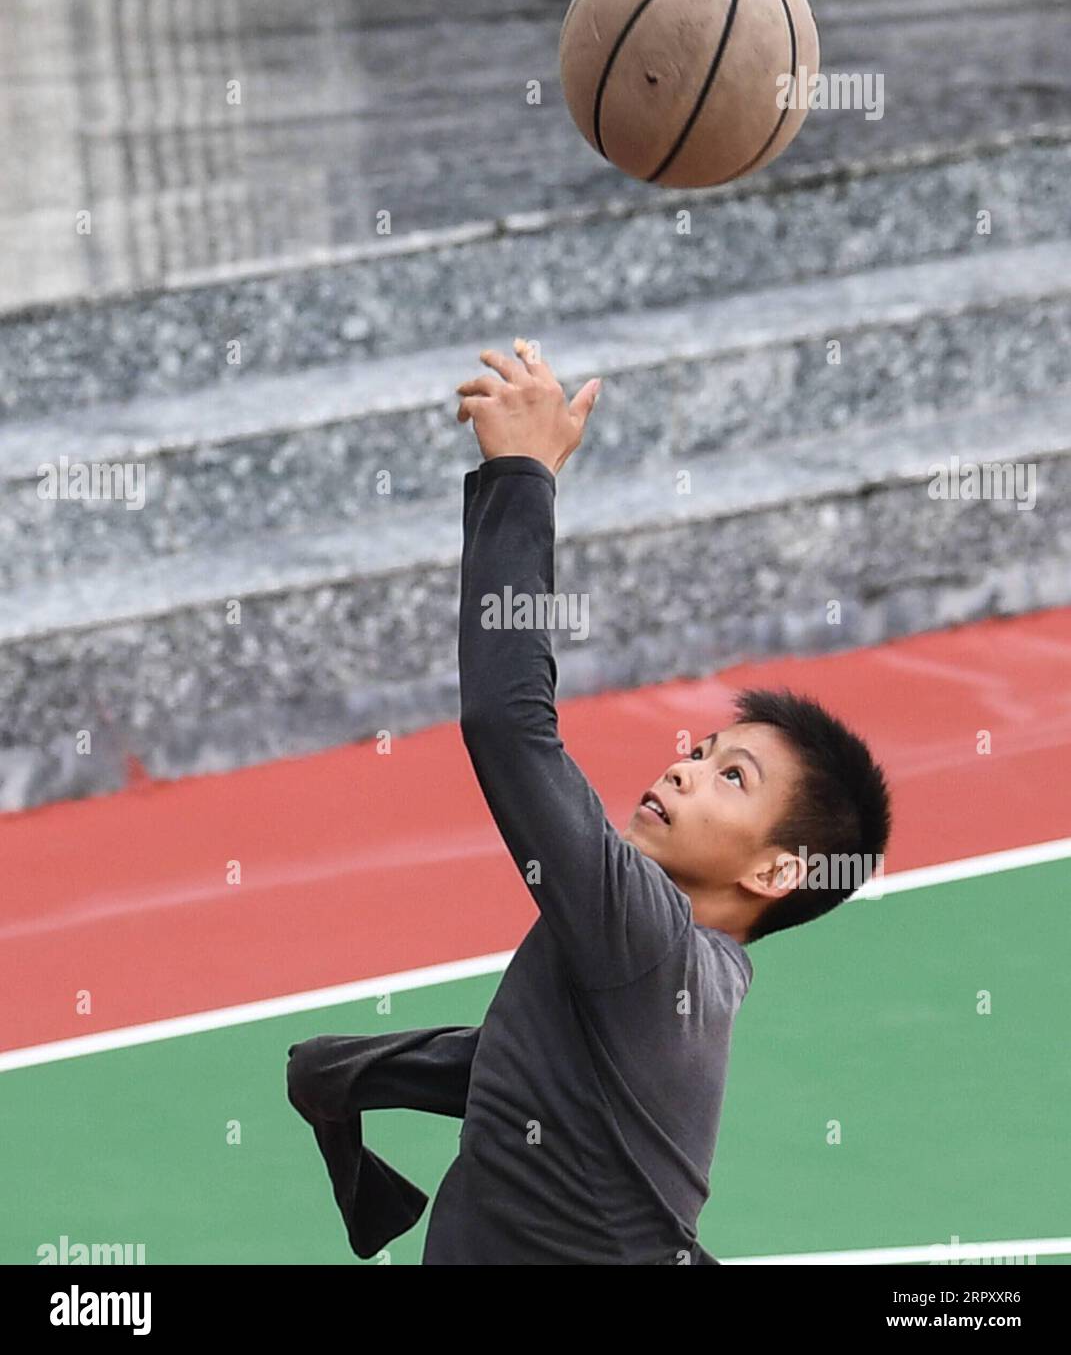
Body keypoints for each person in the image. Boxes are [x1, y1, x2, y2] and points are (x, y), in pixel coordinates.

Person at [287, 338, 892, 1264]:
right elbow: (554, 1079)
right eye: (700, 750)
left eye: (733, 777)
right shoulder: (672, 969)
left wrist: (521, 475)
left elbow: (507, 725)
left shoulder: (647, 937)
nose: (686, 768)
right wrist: (376, 1070)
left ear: (777, 869)